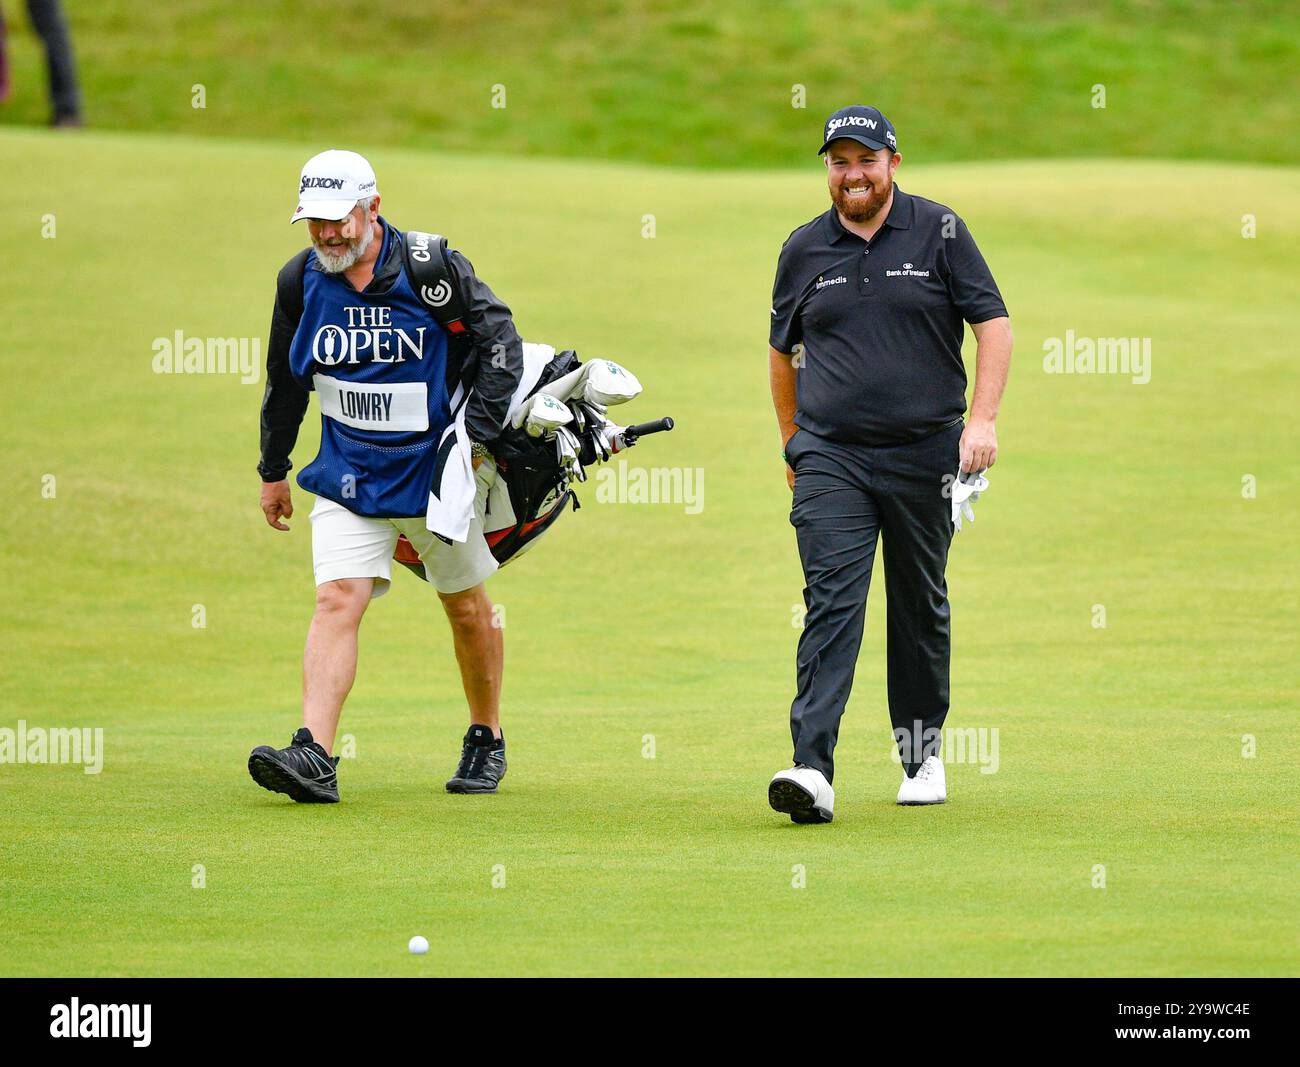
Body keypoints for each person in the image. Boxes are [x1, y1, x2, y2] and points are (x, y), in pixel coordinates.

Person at [249, 149, 523, 802]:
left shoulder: (433, 268)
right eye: (314, 222)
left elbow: (501, 344)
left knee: (464, 606)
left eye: (338, 219)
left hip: (435, 477)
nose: (327, 234)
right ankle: (315, 753)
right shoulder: (299, 281)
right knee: (336, 598)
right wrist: (273, 469)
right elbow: (284, 381)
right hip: (347, 474)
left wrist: (476, 440)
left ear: (373, 207)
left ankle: (486, 735)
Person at [766, 106, 1012, 823]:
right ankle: (811, 769)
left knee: (917, 601)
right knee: (831, 602)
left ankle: (921, 754)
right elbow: (782, 352)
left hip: (926, 451)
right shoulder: (803, 248)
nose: (853, 175)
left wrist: (982, 420)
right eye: (839, 162)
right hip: (831, 455)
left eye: (865, 160)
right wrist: (793, 440)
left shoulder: (941, 230)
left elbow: (993, 325)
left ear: (893, 164)